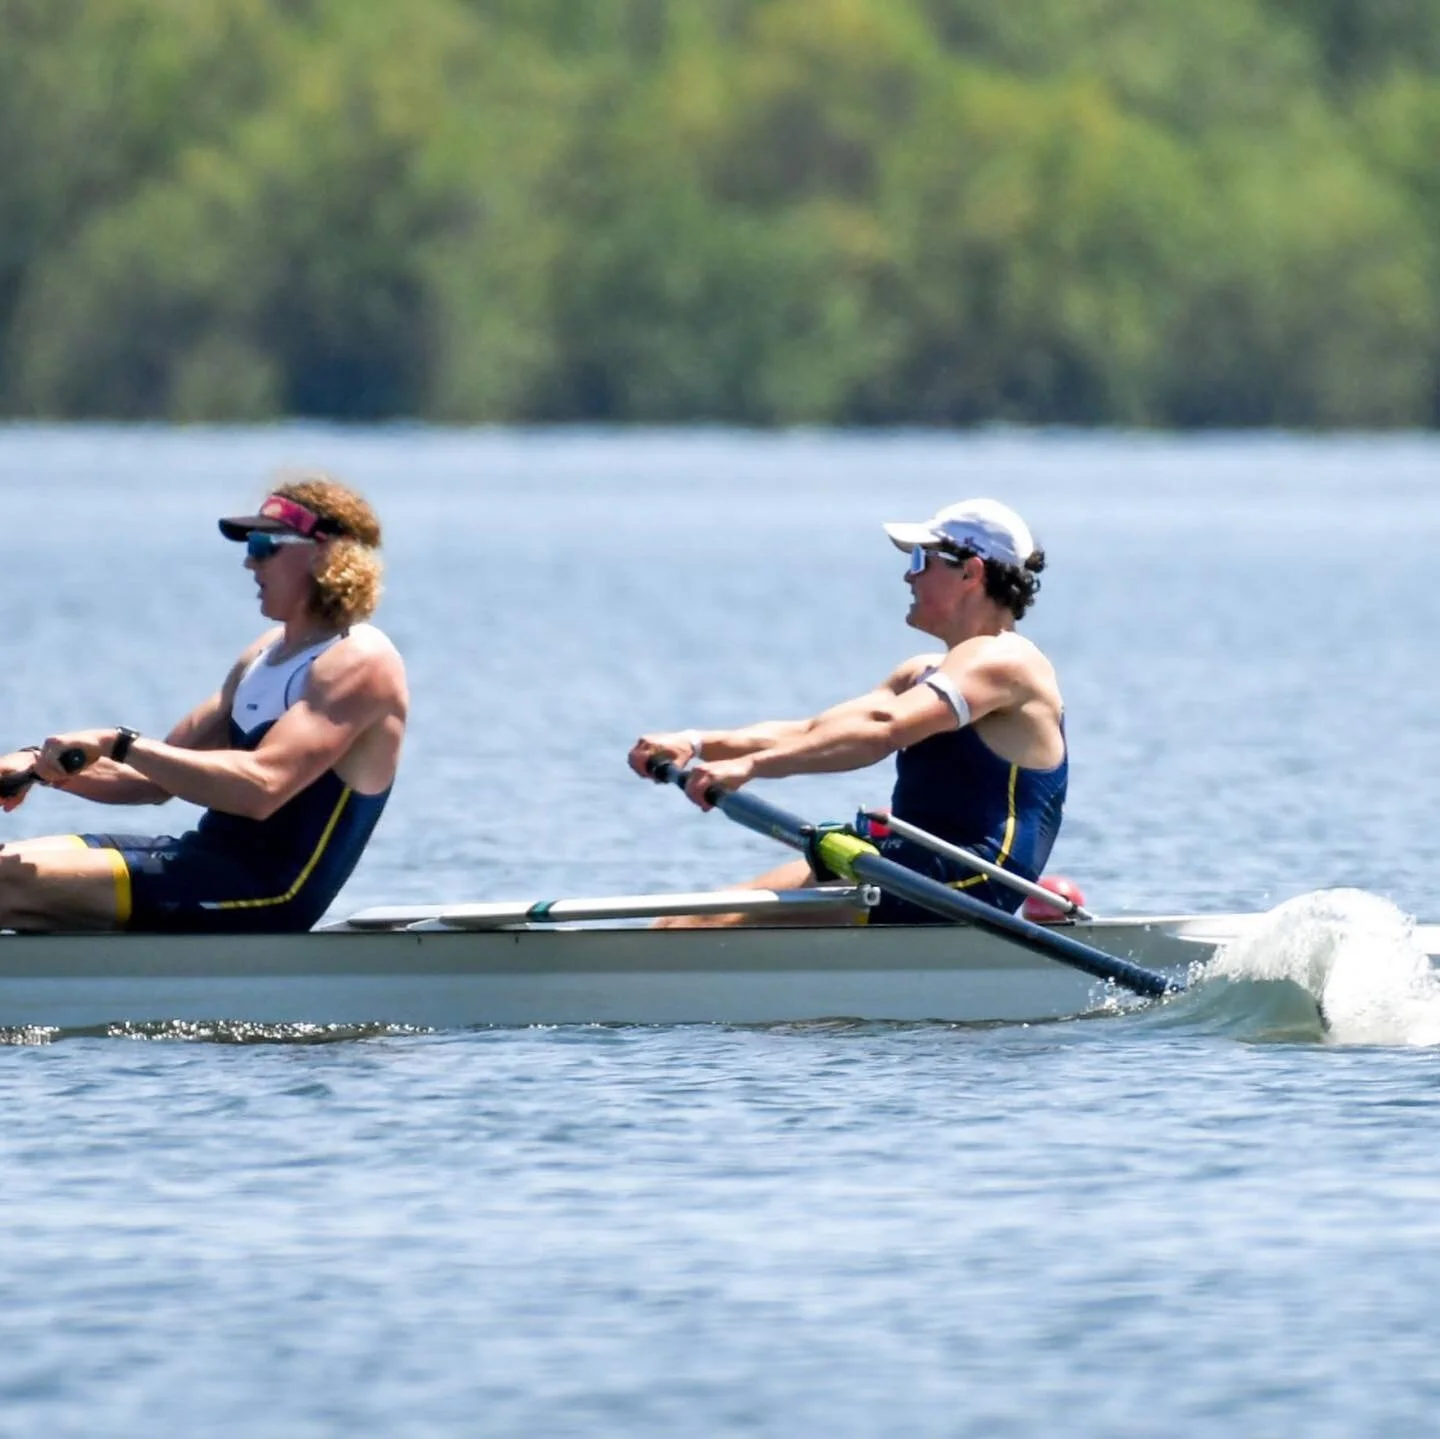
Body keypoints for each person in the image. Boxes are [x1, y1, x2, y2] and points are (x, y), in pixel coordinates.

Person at [627, 498, 1066, 927]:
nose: (908, 576)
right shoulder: (921, 673)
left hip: (968, 881)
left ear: (970, 571)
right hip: (903, 865)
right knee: (682, 924)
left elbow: (884, 730)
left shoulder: (1005, 662)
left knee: (712, 923)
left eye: (921, 560)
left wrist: (751, 768)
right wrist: (697, 743)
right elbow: (815, 730)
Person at [0, 472, 408, 933]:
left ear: (323, 553)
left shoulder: (360, 662)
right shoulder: (265, 654)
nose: (250, 565)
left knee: (5, 884)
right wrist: (38, 765)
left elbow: (261, 789)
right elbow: (150, 779)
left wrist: (119, 741)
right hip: (200, 860)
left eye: (262, 546)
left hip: (268, 891)